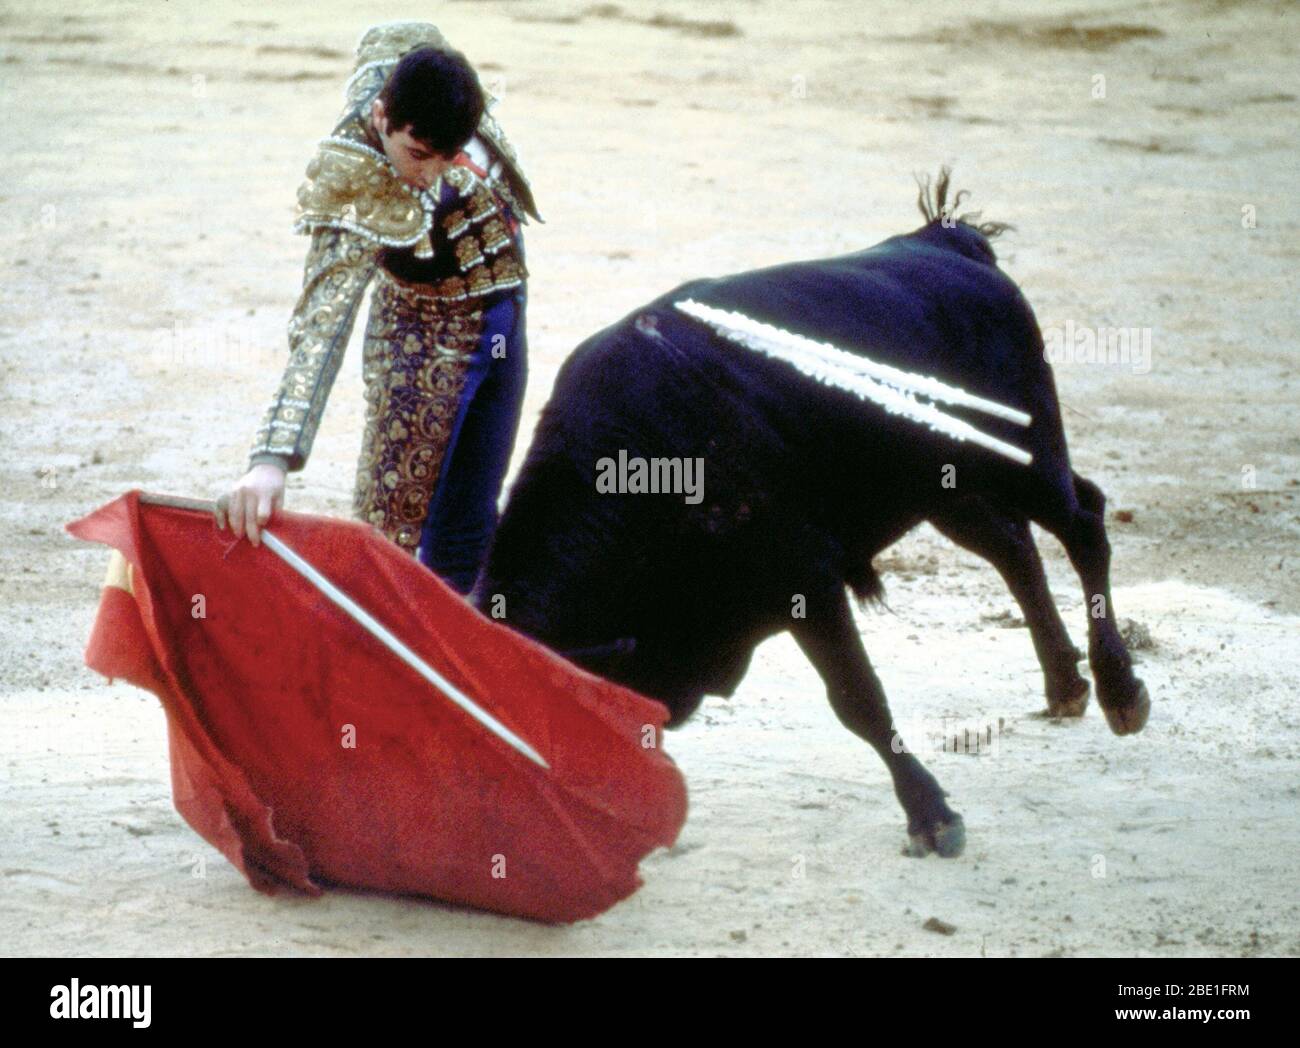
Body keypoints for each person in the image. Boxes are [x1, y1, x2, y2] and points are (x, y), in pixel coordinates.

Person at [215, 21, 540, 595]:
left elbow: (390, 36)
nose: (430, 173)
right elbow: (321, 326)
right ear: (384, 117)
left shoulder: (421, 70)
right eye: (418, 154)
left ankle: (451, 673)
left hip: (504, 316)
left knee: (472, 522)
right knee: (389, 546)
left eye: (449, 156)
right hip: (423, 342)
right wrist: (271, 458)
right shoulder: (355, 180)